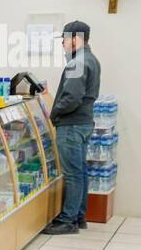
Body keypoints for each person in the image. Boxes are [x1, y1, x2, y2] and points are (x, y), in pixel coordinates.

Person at [42, 20, 100, 235]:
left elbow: (72, 97)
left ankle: (67, 220)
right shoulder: (91, 59)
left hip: (72, 124)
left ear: (76, 39)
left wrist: (54, 113)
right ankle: (78, 215)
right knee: (80, 171)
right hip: (83, 123)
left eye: (65, 39)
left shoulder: (78, 63)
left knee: (73, 174)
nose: (63, 44)